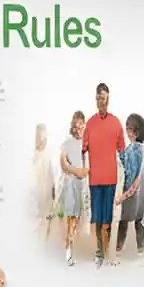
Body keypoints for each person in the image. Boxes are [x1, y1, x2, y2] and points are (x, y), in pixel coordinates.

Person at [82, 82, 126, 268]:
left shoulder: (116, 123)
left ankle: (108, 253)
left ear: (108, 99)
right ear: (95, 99)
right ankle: (100, 252)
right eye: (98, 97)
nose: (101, 100)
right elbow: (82, 151)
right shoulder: (90, 124)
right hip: (94, 180)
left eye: (104, 97)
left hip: (110, 179)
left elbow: (122, 151)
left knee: (107, 220)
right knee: (97, 219)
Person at [116, 113, 144, 259]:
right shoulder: (138, 148)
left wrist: (124, 196)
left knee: (125, 221)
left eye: (129, 129)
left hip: (132, 192)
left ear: (136, 131)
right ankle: (140, 251)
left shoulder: (136, 149)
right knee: (138, 221)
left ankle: (118, 250)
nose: (127, 132)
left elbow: (132, 174)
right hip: (138, 193)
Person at [58, 111, 88, 267]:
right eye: (75, 127)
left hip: (85, 186)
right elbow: (63, 165)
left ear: (84, 124)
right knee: (71, 218)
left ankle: (78, 249)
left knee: (78, 221)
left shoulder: (88, 143)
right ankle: (68, 250)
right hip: (71, 185)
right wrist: (76, 171)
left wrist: (84, 172)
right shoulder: (67, 143)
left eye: (80, 126)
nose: (77, 130)